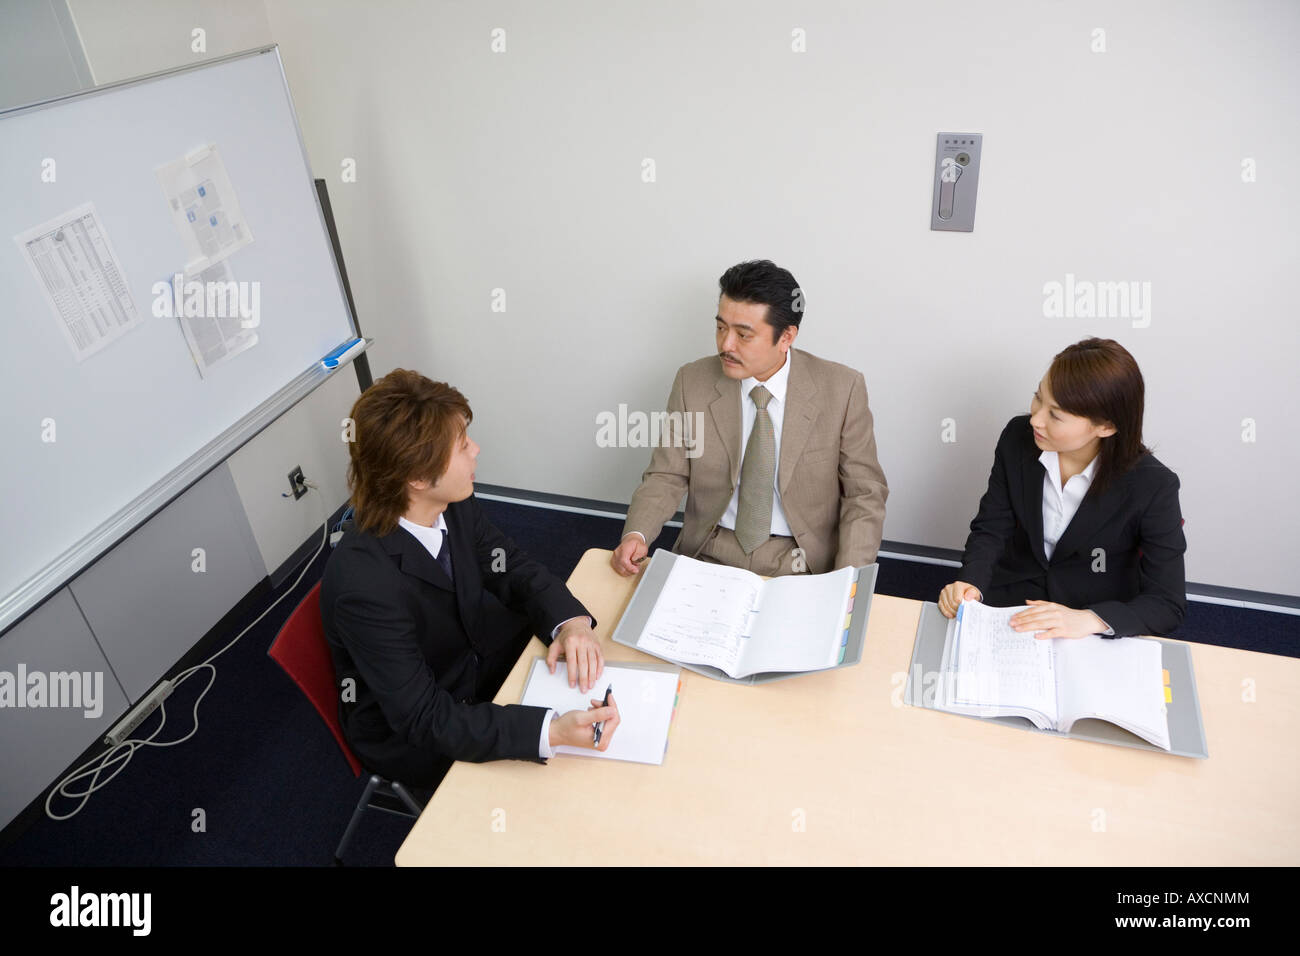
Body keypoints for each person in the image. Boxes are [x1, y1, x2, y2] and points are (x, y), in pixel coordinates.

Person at [321, 370, 619, 789]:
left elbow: (509, 565)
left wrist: (569, 622)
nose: (476, 450)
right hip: (421, 729)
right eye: (462, 446)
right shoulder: (362, 586)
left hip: (477, 664)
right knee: (569, 784)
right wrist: (547, 731)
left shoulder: (451, 503)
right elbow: (424, 718)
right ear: (418, 479)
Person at [612, 259, 888, 578]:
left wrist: (847, 579)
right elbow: (667, 473)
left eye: (743, 335)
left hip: (801, 560)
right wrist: (638, 534)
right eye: (720, 327)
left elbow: (864, 493)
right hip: (709, 551)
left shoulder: (842, 389)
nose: (726, 345)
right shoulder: (693, 381)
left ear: (786, 337)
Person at [938, 337, 1186, 638]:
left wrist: (1091, 620)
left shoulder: (1154, 486)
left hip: (1089, 618)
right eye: (1038, 398)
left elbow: (1166, 603)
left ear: (1106, 426)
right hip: (1010, 604)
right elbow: (992, 528)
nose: (1036, 420)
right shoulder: (1017, 438)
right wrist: (971, 582)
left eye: (1055, 415)